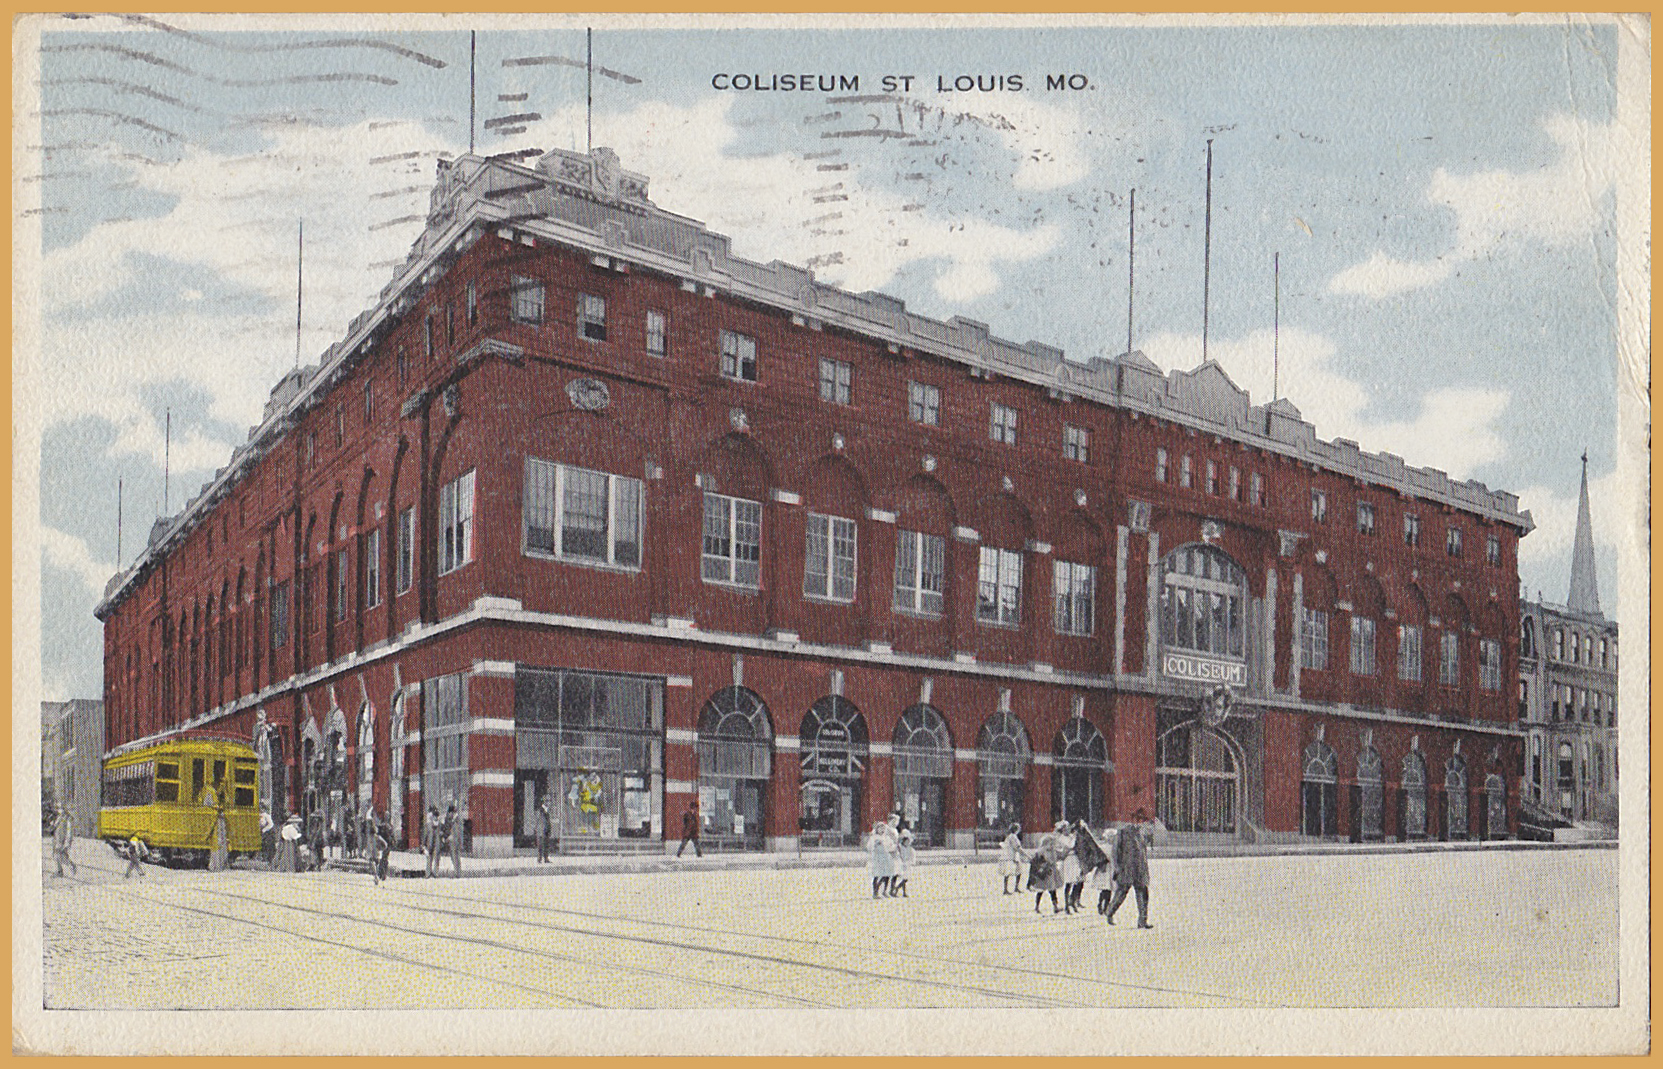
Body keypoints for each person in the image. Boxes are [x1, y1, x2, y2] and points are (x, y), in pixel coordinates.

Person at [1106, 809, 1154, 929]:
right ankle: (1110, 912)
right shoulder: (1122, 833)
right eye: (1138, 820)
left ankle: (1142, 921)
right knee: (1121, 893)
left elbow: (1143, 853)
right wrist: (1116, 868)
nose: (1140, 823)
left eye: (1142, 821)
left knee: (1143, 893)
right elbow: (1115, 852)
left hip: (1140, 869)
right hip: (1126, 869)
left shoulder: (1141, 834)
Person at [1029, 821, 1068, 913]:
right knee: (1041, 890)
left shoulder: (1053, 850)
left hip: (1051, 872)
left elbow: (1061, 856)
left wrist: (1066, 850)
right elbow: (1038, 861)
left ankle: (1055, 906)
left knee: (1052, 890)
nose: (1052, 845)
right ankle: (1037, 906)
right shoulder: (1041, 851)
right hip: (1045, 872)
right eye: (1051, 843)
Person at [867, 819, 897, 898]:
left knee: (887, 873)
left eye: (883, 828)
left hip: (886, 857)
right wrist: (875, 847)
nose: (882, 830)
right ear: (877, 829)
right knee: (876, 874)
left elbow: (891, 846)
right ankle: (875, 892)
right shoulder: (874, 837)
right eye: (880, 828)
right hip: (877, 857)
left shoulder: (886, 837)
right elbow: (869, 847)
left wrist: (893, 848)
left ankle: (884, 890)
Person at [1058, 822, 1083, 914]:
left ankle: (1073, 901)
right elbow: (1070, 846)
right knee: (1068, 883)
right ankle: (1066, 906)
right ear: (1063, 829)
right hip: (1068, 860)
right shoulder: (1062, 838)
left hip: (1075, 859)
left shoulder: (1071, 836)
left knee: (1077, 882)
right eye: (1066, 828)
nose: (1068, 830)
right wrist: (1073, 838)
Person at [998, 823, 1026, 895]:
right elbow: (1017, 848)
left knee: (1013, 872)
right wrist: (1027, 855)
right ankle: (1012, 888)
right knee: (1015, 872)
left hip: (1009, 856)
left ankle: (1008, 888)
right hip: (1010, 857)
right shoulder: (1013, 837)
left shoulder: (1009, 836)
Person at [52, 808, 76, 878]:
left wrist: (68, 842)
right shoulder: (59, 817)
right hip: (57, 838)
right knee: (56, 855)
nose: (59, 810)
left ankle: (71, 866)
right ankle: (60, 871)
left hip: (62, 840)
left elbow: (69, 832)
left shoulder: (68, 818)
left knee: (60, 855)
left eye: (61, 809)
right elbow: (55, 826)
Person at [893, 828, 915, 897]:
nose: (907, 843)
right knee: (902, 877)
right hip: (901, 864)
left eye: (908, 841)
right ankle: (900, 891)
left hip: (907, 864)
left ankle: (898, 889)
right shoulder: (900, 847)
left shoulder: (910, 849)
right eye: (906, 841)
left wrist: (911, 862)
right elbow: (898, 855)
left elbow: (912, 856)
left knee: (906, 879)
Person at [443, 802, 463, 876]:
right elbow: (446, 828)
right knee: (455, 856)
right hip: (453, 840)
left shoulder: (454, 820)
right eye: (452, 812)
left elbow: (458, 831)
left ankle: (457, 872)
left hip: (454, 840)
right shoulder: (450, 819)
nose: (452, 814)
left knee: (455, 856)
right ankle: (457, 872)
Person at [422, 805, 442, 878]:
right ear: (432, 816)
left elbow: (444, 833)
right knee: (429, 859)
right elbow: (425, 836)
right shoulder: (428, 825)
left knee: (437, 859)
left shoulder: (440, 825)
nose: (436, 818)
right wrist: (423, 846)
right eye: (434, 816)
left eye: (437, 816)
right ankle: (428, 873)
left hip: (437, 845)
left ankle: (435, 873)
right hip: (429, 844)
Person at [535, 794, 555, 863]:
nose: (549, 802)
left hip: (547, 829)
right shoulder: (540, 810)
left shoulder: (548, 810)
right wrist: (539, 829)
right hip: (541, 829)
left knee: (546, 844)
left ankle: (546, 858)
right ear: (544, 802)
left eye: (549, 801)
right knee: (540, 844)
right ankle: (539, 858)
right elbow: (538, 820)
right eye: (547, 801)